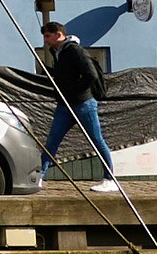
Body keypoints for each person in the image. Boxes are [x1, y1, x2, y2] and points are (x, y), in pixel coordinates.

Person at [38, 23, 110, 174]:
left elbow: (91, 74)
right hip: (65, 105)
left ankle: (110, 178)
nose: (45, 40)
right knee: (52, 141)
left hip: (83, 104)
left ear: (58, 34)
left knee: (96, 140)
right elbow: (65, 75)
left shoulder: (75, 50)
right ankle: (40, 175)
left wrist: (75, 92)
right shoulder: (57, 52)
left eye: (47, 36)